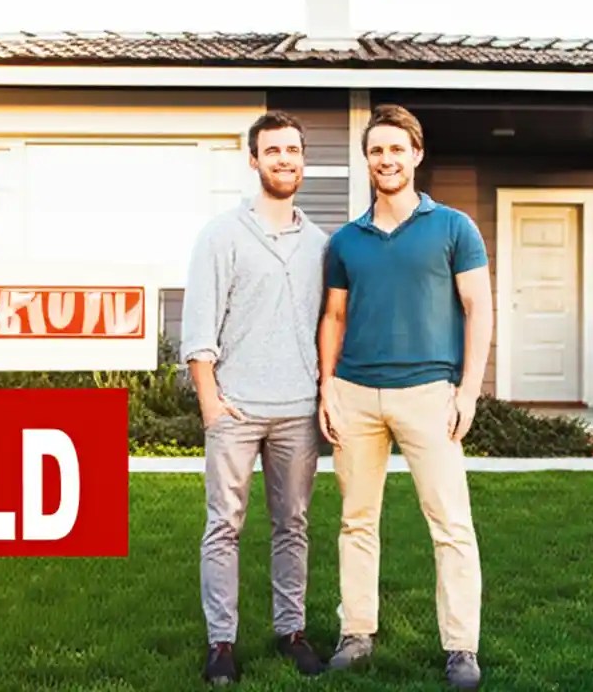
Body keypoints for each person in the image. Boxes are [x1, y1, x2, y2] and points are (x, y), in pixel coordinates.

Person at [318, 103, 493, 690]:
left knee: (450, 524)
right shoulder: (346, 240)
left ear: (416, 155)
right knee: (356, 521)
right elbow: (334, 316)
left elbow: (479, 309)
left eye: (396, 149)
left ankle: (461, 647)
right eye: (376, 151)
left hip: (428, 396)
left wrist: (468, 391)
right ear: (366, 160)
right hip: (355, 394)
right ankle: (357, 632)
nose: (386, 160)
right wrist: (327, 387)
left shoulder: (454, 228)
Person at [181, 110, 329, 685]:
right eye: (273, 151)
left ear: (303, 160)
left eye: (293, 150)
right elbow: (199, 326)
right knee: (224, 526)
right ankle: (222, 643)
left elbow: (326, 325)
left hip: (297, 409)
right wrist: (210, 403)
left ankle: (290, 631)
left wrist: (322, 394)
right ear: (253, 160)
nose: (285, 159)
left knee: (293, 525)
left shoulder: (319, 244)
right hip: (236, 409)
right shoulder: (221, 235)